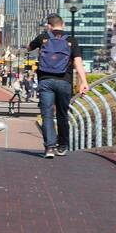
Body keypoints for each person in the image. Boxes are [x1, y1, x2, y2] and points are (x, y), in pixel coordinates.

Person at [27, 13, 89, 158]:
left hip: (45, 80)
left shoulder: (43, 38)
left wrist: (39, 44)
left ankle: (49, 148)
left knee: (47, 115)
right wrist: (84, 81)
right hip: (65, 81)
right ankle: (62, 146)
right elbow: (78, 62)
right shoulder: (71, 40)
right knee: (62, 115)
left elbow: (28, 48)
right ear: (63, 25)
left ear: (49, 26)